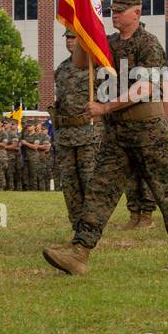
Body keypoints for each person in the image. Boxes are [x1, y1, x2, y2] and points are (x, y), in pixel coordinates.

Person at [42, 0, 168, 275]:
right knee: (101, 189)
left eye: (120, 11)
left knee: (164, 193)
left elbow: (145, 88)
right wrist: (82, 28)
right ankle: (80, 252)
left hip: (148, 130)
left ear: (136, 13)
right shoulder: (109, 43)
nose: (114, 14)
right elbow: (79, 63)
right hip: (118, 133)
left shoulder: (148, 44)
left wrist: (105, 108)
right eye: (111, 10)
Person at [52, 30, 100, 230]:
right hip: (66, 134)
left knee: (89, 181)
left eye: (74, 38)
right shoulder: (62, 69)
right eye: (68, 38)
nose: (70, 41)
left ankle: (92, 226)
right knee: (69, 184)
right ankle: (77, 226)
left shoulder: (94, 66)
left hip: (87, 133)